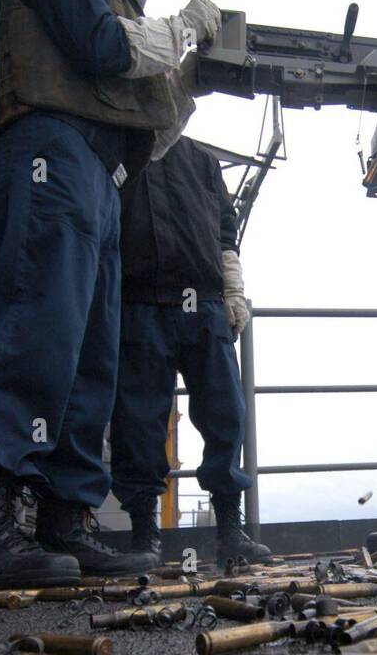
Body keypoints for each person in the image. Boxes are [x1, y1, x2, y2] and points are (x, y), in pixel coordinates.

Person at [0, 0, 221, 589]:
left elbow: (149, 135)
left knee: (93, 354)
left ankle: (66, 518)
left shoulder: (128, 23)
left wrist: (189, 79)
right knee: (38, 323)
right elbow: (97, 45)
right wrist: (184, 30)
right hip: (48, 155)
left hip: (100, 178)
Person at [110, 134, 271, 567]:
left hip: (203, 303)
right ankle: (145, 536)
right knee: (138, 423)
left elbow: (224, 229)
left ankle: (229, 533)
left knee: (226, 417)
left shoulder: (202, 160)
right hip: (138, 303)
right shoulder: (121, 147)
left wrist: (233, 288)